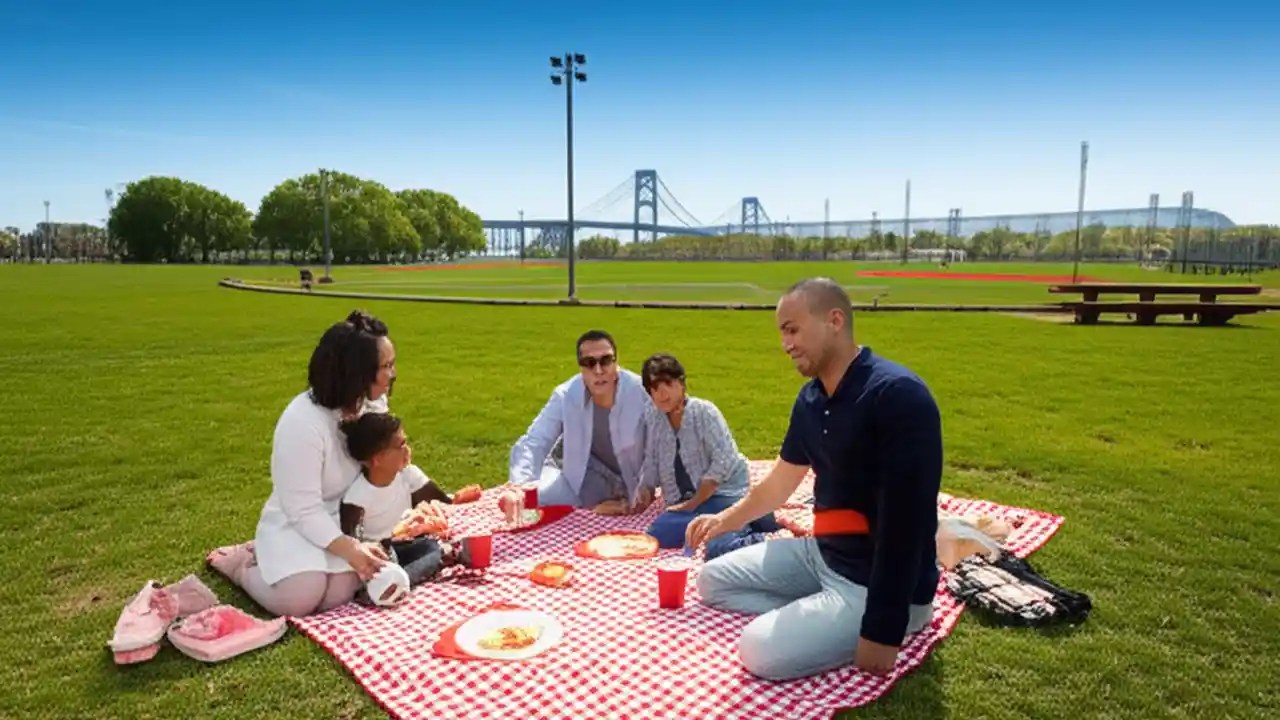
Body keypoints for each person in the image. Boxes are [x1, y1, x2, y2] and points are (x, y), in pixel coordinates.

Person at [687, 278, 942, 681]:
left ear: (834, 321)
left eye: (792, 329)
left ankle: (863, 619)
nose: (785, 344)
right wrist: (726, 521)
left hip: (876, 583)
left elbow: (907, 526)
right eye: (781, 332)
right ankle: (818, 615)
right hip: (822, 554)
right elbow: (780, 484)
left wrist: (882, 629)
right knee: (710, 580)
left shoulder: (897, 396)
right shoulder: (810, 400)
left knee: (757, 649)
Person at [207, 310, 402, 617]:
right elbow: (301, 508)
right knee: (299, 598)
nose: (393, 374)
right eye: (386, 366)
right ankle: (241, 566)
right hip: (295, 518)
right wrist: (351, 549)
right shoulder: (302, 422)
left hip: (343, 516)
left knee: (337, 594)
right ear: (357, 374)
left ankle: (278, 563)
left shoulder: (371, 404)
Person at [638, 353, 796, 560]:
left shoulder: (704, 412)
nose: (662, 393)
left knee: (717, 549)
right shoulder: (653, 417)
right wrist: (640, 494)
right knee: (658, 532)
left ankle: (749, 528)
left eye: (667, 383)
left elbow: (723, 462)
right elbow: (651, 462)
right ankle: (749, 519)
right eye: (654, 388)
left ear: (681, 383)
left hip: (723, 494)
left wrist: (693, 503)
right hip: (687, 502)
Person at [507, 329, 653, 514]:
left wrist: (647, 486)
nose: (598, 371)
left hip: (632, 481)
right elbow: (535, 440)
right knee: (533, 499)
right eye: (589, 363)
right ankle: (600, 506)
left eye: (606, 361)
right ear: (581, 368)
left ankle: (612, 505)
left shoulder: (641, 393)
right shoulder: (566, 395)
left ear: (617, 361)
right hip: (583, 475)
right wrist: (520, 486)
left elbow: (662, 442)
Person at [337, 412, 476, 602]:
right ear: (378, 458)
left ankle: (398, 581)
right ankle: (391, 586)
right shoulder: (358, 498)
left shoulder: (407, 476)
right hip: (372, 564)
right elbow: (353, 545)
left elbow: (444, 500)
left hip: (392, 549)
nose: (407, 450)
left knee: (431, 546)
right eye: (400, 445)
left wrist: (462, 497)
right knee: (434, 554)